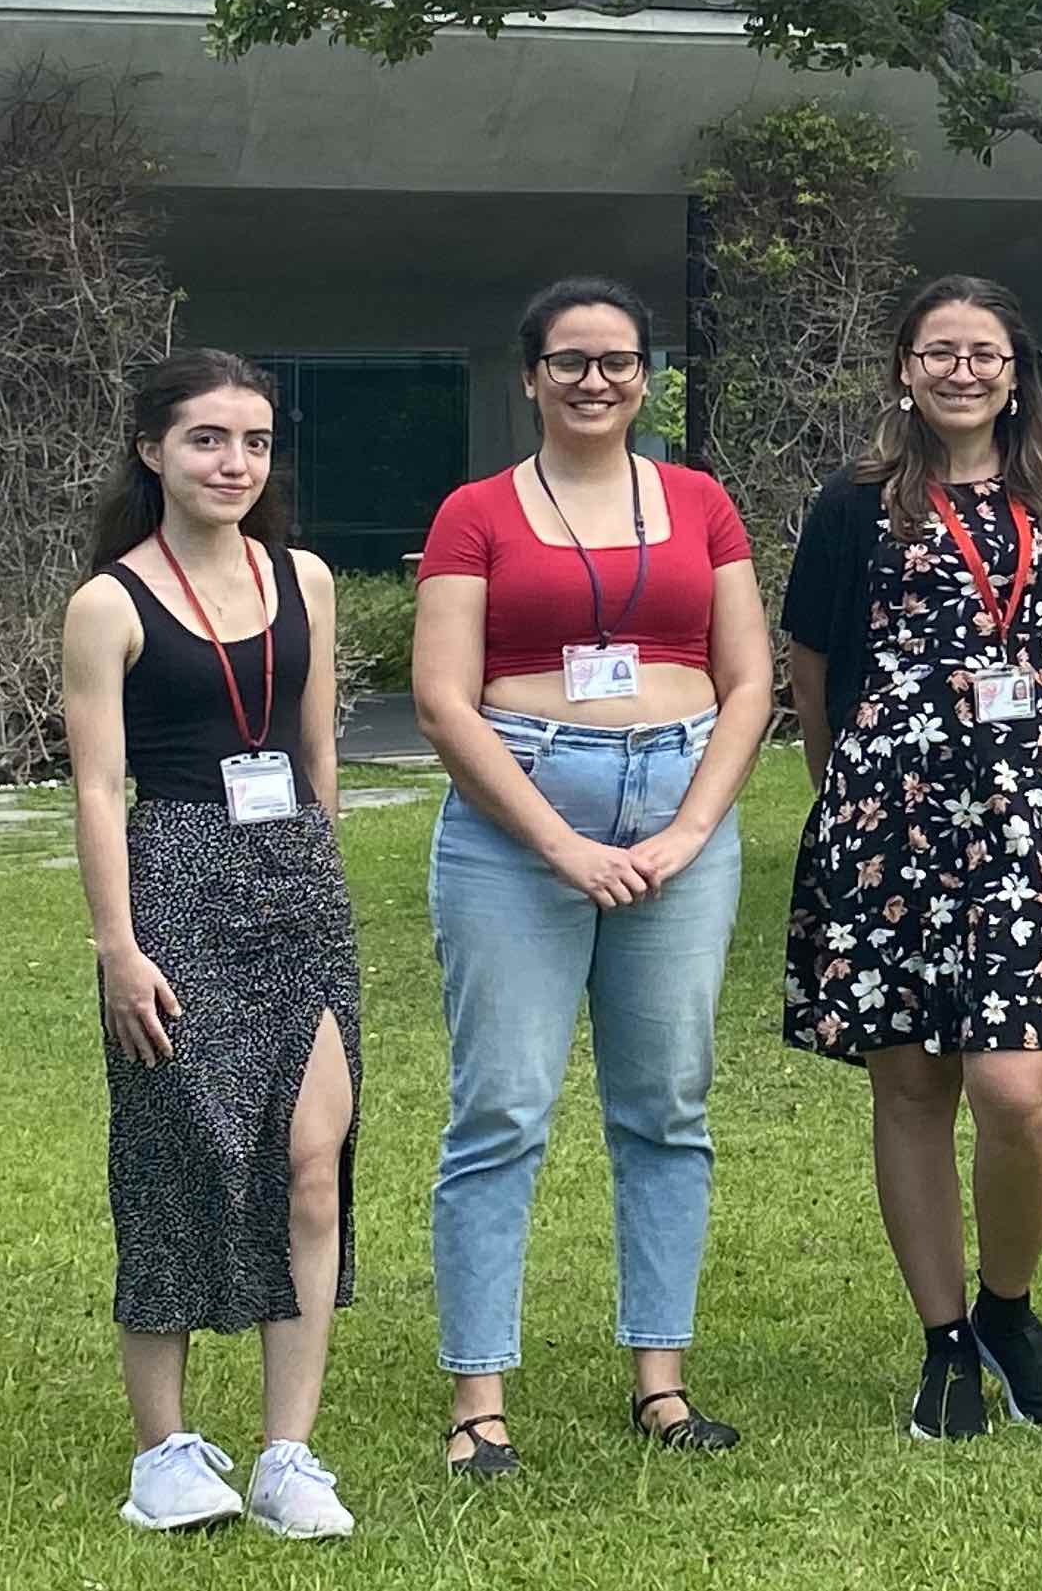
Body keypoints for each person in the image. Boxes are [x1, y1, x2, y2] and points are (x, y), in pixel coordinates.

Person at [416, 279, 770, 1478]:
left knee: (666, 1107)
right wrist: (559, 846)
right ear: (530, 377)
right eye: (569, 361)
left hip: (678, 814)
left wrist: (693, 827)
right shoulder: (476, 513)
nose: (594, 381)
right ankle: (478, 1402)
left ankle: (661, 1383)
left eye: (618, 361)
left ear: (645, 379)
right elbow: (441, 701)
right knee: (503, 1109)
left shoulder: (699, 503)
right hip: (518, 821)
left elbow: (749, 683)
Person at [783, 276, 1042, 1435]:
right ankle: (943, 1343)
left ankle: (1007, 1311)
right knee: (914, 1085)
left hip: (1028, 820)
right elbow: (814, 665)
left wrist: (1023, 767)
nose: (961, 371)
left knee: (1017, 1092)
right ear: (905, 369)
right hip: (891, 819)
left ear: (1016, 375)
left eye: (984, 354)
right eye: (939, 352)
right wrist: (851, 792)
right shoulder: (855, 504)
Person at [66, 352, 360, 1539]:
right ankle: (166, 1454)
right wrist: (117, 947)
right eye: (206, 439)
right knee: (178, 1159)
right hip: (176, 883)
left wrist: (323, 872)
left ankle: (289, 1454)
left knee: (312, 1162)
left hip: (297, 886)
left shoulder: (304, 579)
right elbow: (97, 788)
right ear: (153, 451)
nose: (234, 463)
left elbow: (316, 745)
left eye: (254, 441)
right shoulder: (109, 604)